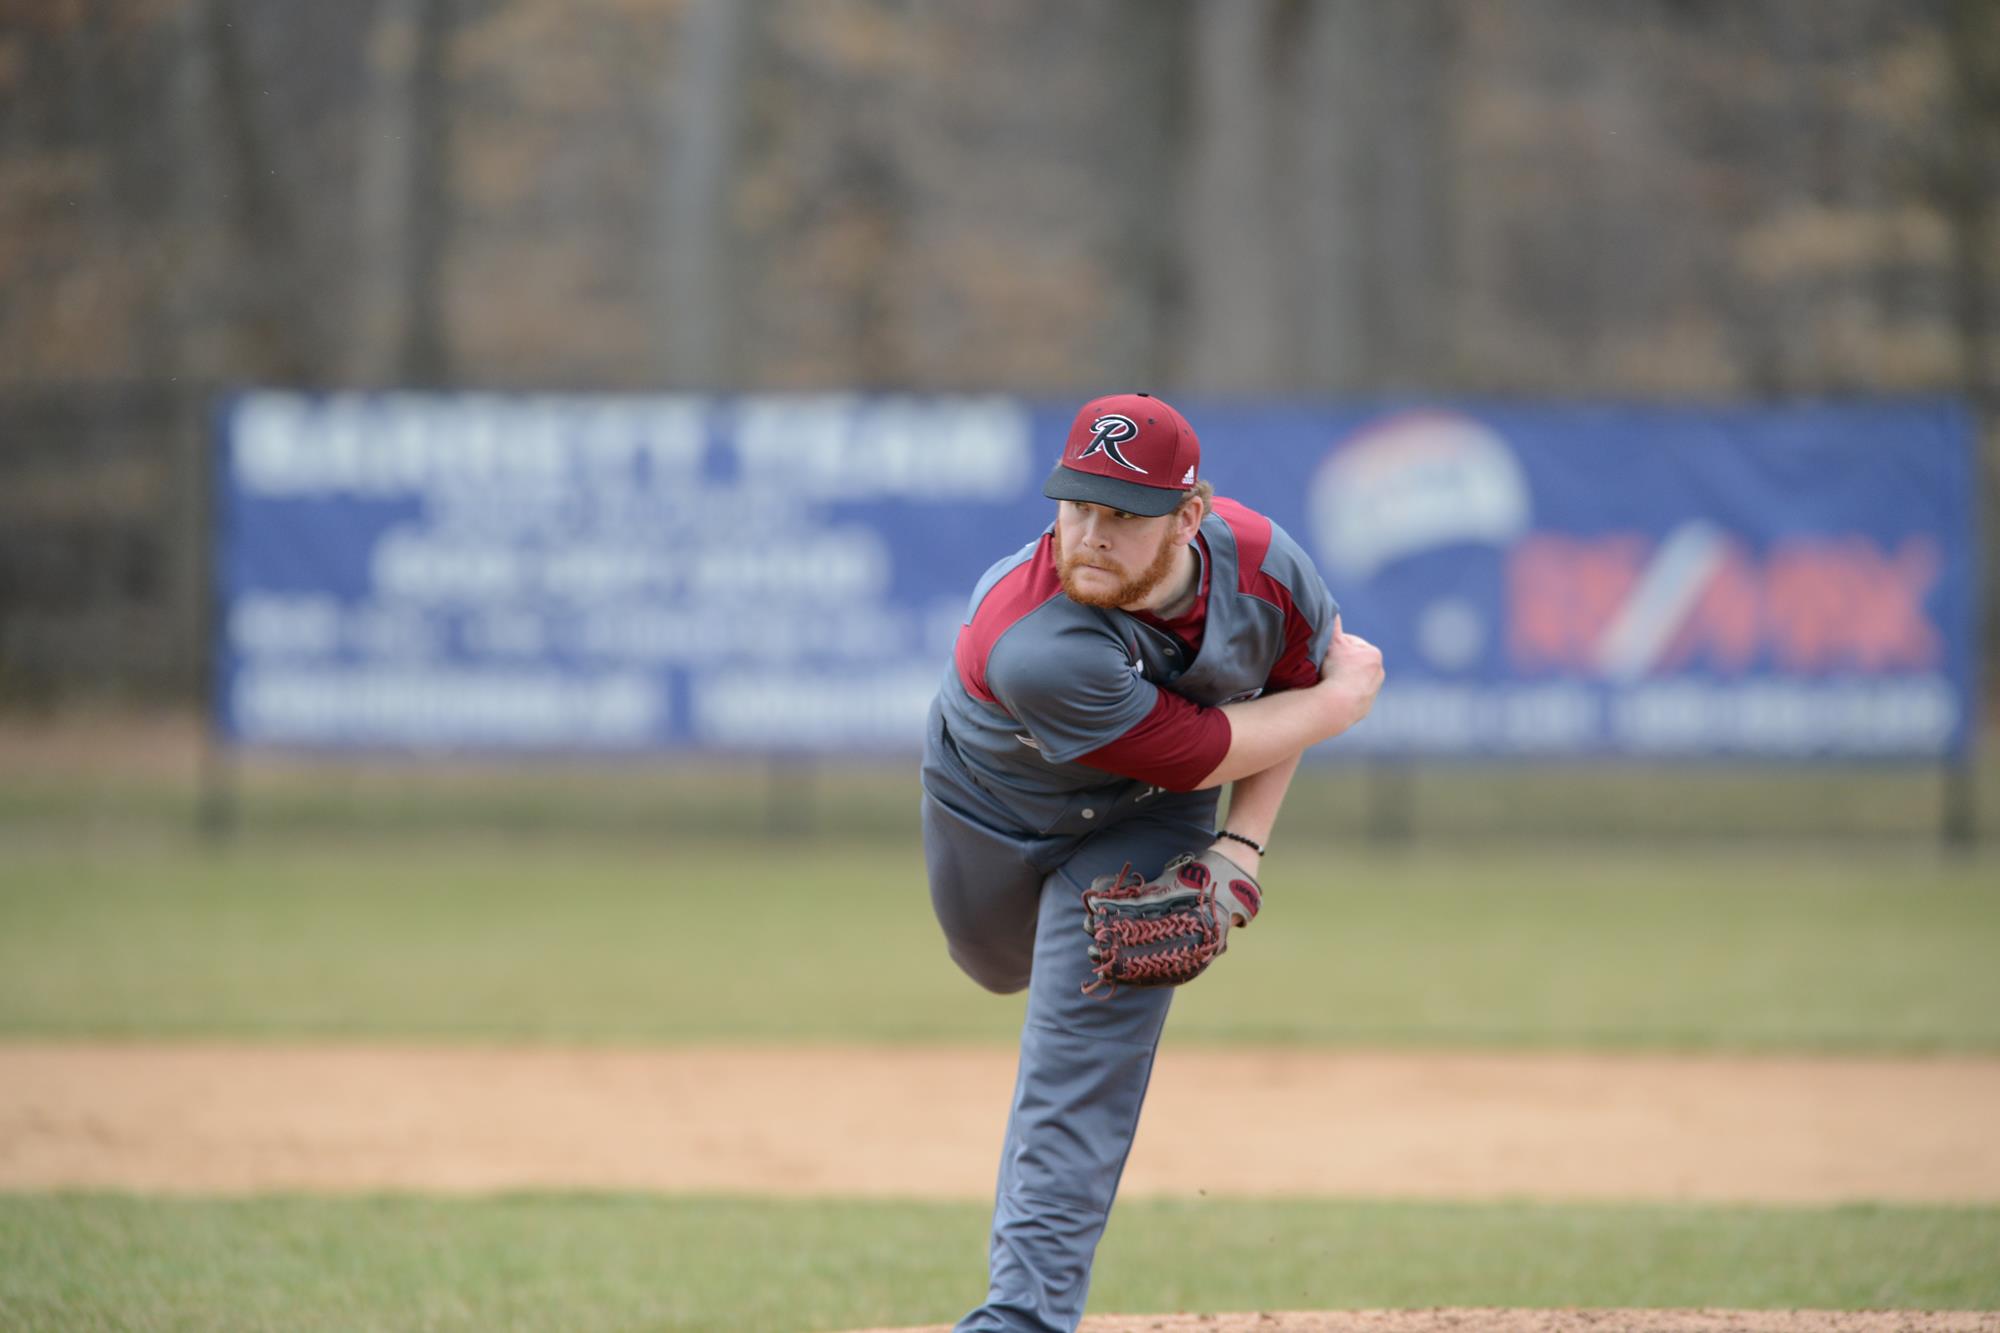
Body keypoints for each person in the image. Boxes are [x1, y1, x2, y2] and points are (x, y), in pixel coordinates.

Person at [919, 391, 1385, 1332]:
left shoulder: (1266, 569)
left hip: (1148, 817)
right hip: (993, 809)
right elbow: (1230, 738)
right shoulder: (1037, 642)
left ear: (1190, 515)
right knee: (995, 966)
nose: (1088, 534)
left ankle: (1022, 1315)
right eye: (1075, 503)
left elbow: (1274, 702)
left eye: (1122, 514)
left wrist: (1239, 849)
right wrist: (1344, 705)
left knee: (1078, 1050)